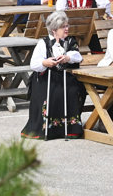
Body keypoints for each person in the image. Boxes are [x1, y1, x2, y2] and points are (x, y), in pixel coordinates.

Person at [22, 11, 84, 140]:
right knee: (49, 94)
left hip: (64, 76)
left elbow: (77, 56)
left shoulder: (70, 41)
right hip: (46, 76)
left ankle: (70, 128)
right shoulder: (43, 43)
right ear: (54, 30)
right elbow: (34, 64)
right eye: (63, 27)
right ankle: (45, 129)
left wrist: (67, 57)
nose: (66, 29)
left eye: (67, 26)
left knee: (74, 90)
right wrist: (45, 62)